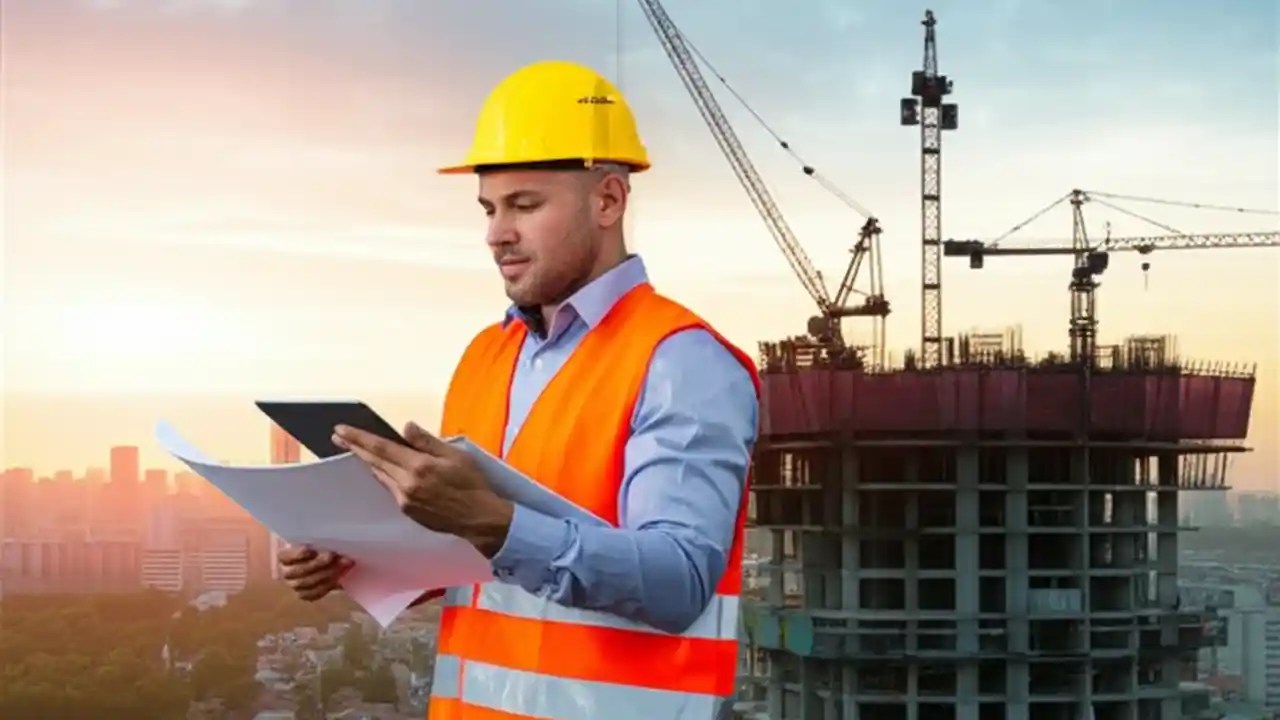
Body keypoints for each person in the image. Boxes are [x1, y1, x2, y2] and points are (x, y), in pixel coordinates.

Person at [277, 59, 760, 719]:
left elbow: (678, 580)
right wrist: (356, 556)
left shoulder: (681, 361)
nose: (496, 233)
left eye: (524, 205)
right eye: (489, 208)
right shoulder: (485, 356)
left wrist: (491, 521)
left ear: (608, 201)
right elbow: (480, 568)